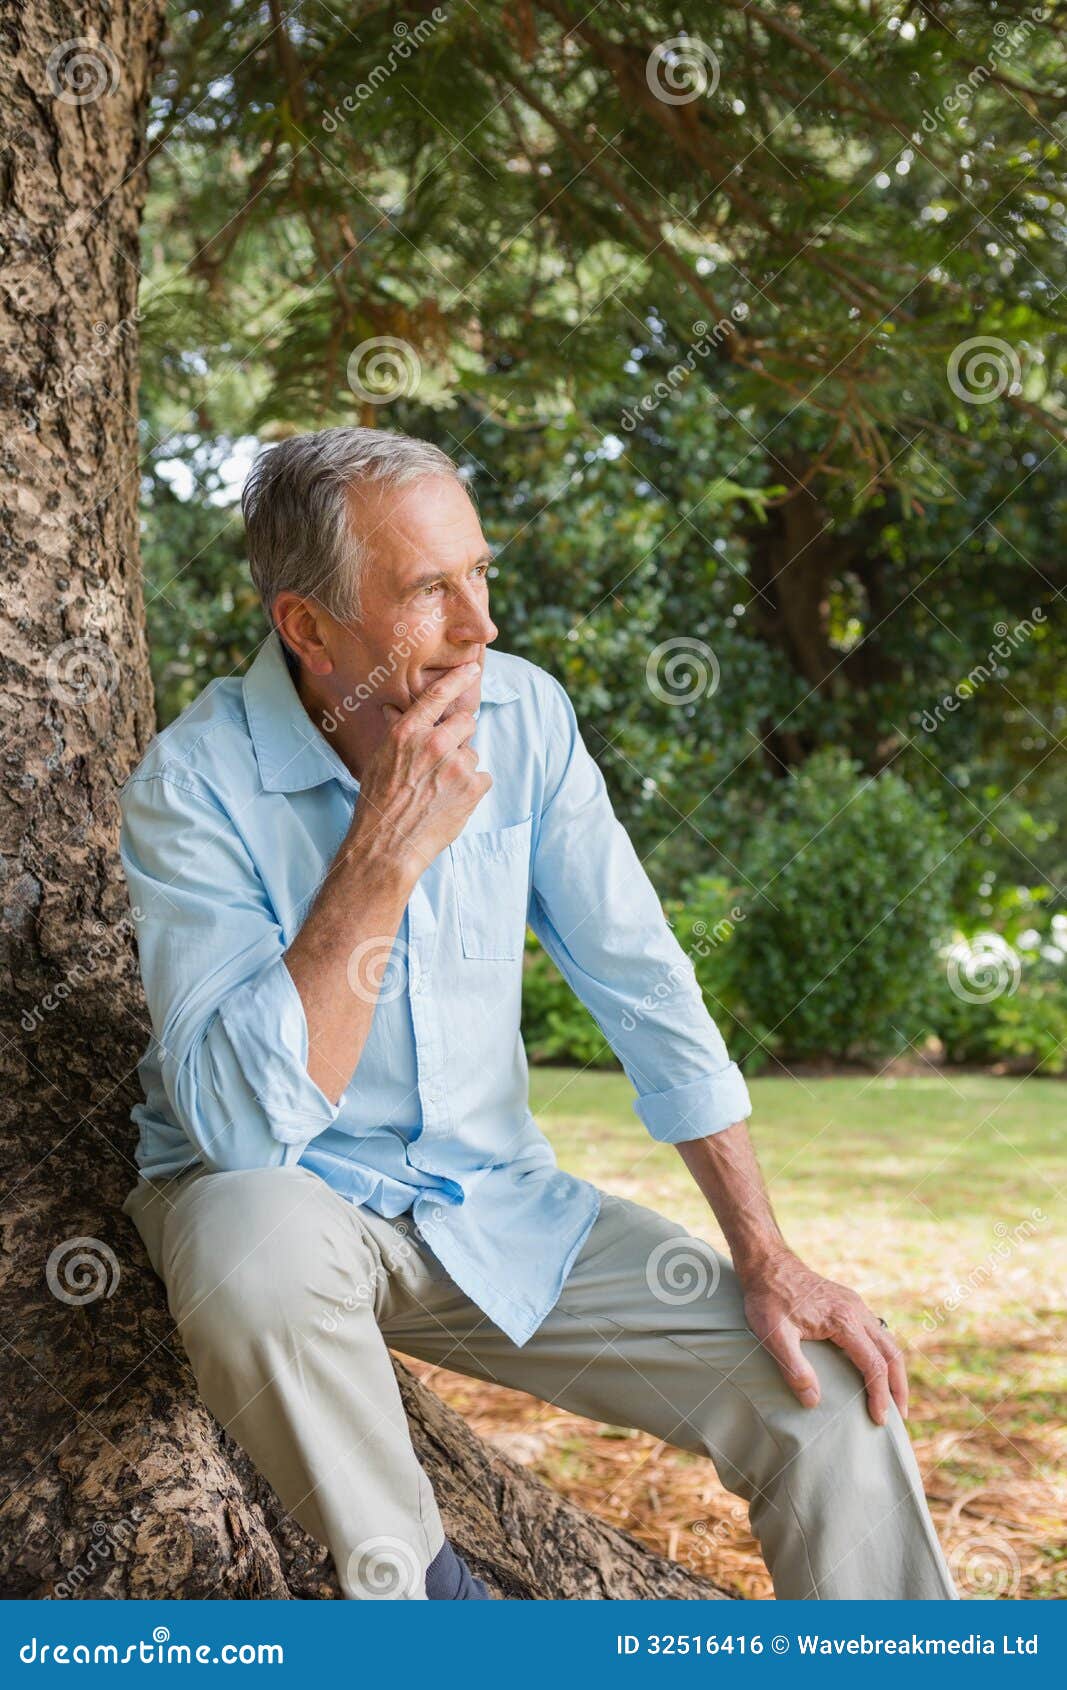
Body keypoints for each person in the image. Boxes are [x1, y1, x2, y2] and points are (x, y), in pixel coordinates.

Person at [119, 427, 956, 1601]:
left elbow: (641, 977)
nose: (481, 626)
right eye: (427, 591)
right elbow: (240, 1134)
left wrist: (765, 1253)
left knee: (822, 1392)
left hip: (494, 1205)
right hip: (294, 1216)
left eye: (480, 574)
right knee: (245, 1237)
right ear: (306, 628)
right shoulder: (190, 786)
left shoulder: (524, 717)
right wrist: (378, 857)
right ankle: (430, 1615)